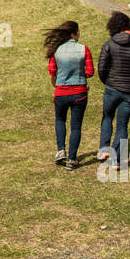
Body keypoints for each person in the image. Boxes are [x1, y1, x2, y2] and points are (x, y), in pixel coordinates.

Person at [97, 11, 130, 170]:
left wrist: (108, 82)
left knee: (107, 117)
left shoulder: (109, 44)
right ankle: (118, 161)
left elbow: (101, 68)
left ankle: (103, 150)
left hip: (112, 89)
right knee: (122, 125)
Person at [43, 20, 95, 170]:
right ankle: (72, 159)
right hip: (79, 92)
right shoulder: (84, 49)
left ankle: (61, 150)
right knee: (76, 126)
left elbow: (52, 71)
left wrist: (58, 82)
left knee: (60, 120)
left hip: (61, 92)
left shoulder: (56, 51)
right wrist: (79, 75)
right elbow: (90, 72)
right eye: (78, 32)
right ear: (73, 33)